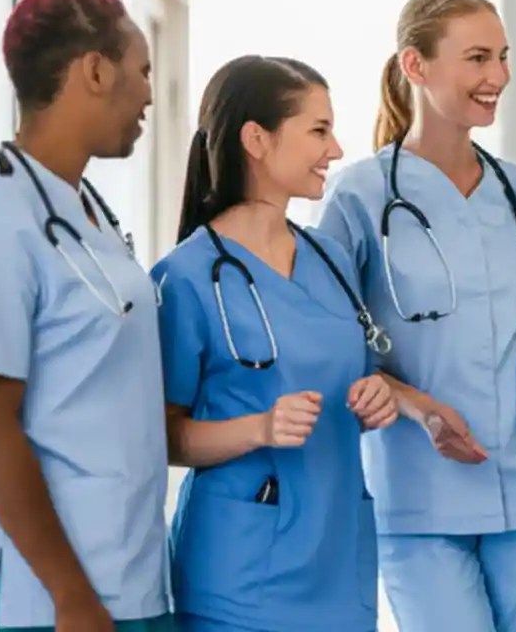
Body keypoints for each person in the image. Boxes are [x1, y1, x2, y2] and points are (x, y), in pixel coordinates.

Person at [317, 0, 516, 632]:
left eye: (502, 57)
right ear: (415, 66)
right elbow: (334, 349)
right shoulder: (358, 197)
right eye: (477, 58)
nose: (498, 77)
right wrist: (421, 409)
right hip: (419, 486)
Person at [0, 0, 170, 631]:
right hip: (61, 599)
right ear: (95, 70)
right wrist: (70, 596)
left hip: (132, 577)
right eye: (142, 70)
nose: (149, 92)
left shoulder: (82, 210)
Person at [153, 54, 399, 632]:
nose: (335, 150)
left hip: (336, 563)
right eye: (318, 130)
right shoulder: (185, 278)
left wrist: (377, 397)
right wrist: (259, 429)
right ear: (256, 140)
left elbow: (354, 382)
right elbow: (161, 434)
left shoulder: (331, 261)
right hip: (239, 575)